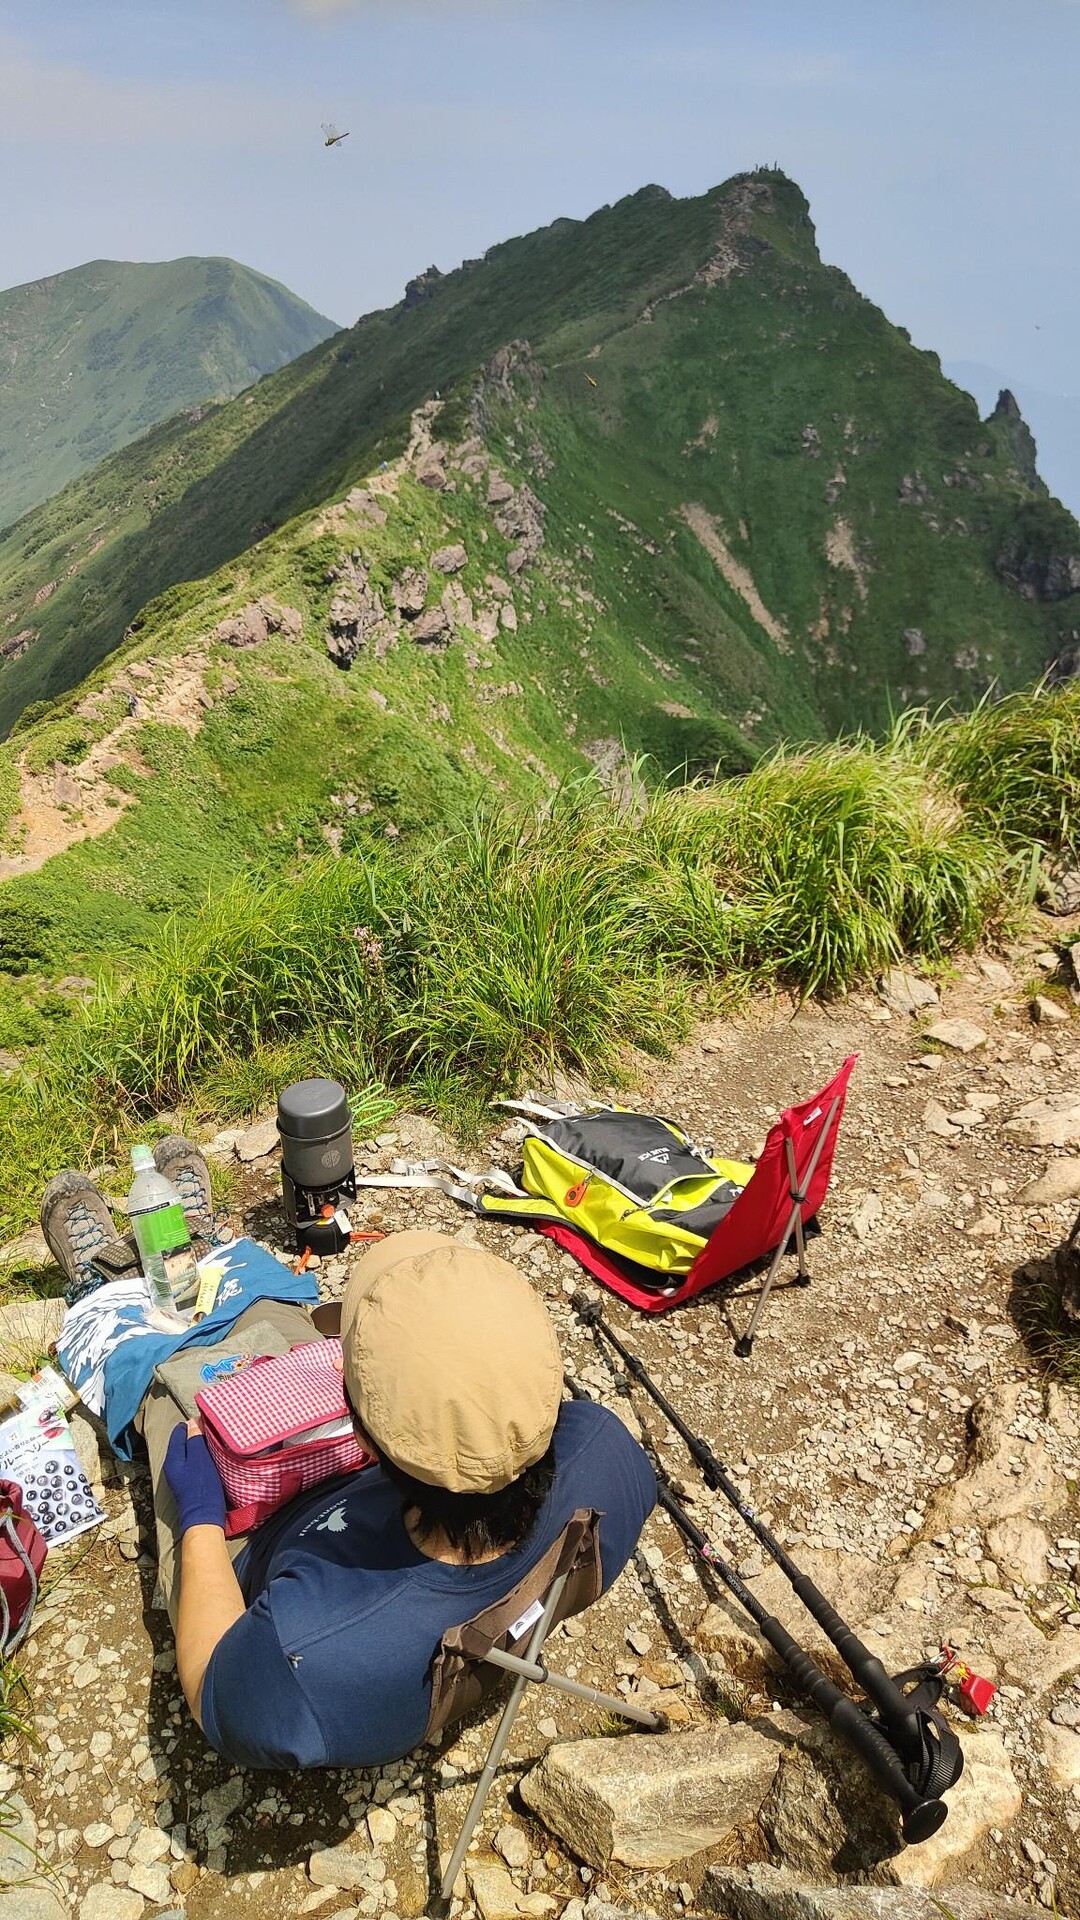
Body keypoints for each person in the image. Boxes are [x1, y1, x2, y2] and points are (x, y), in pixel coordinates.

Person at [41, 1152, 656, 1772]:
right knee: (274, 1320)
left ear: (361, 1435)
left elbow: (209, 1685)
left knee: (171, 1391)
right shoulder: (606, 1454)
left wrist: (200, 1508)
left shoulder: (303, 1659)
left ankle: (104, 1295)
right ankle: (199, 1253)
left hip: (259, 1538)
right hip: (397, 1507)